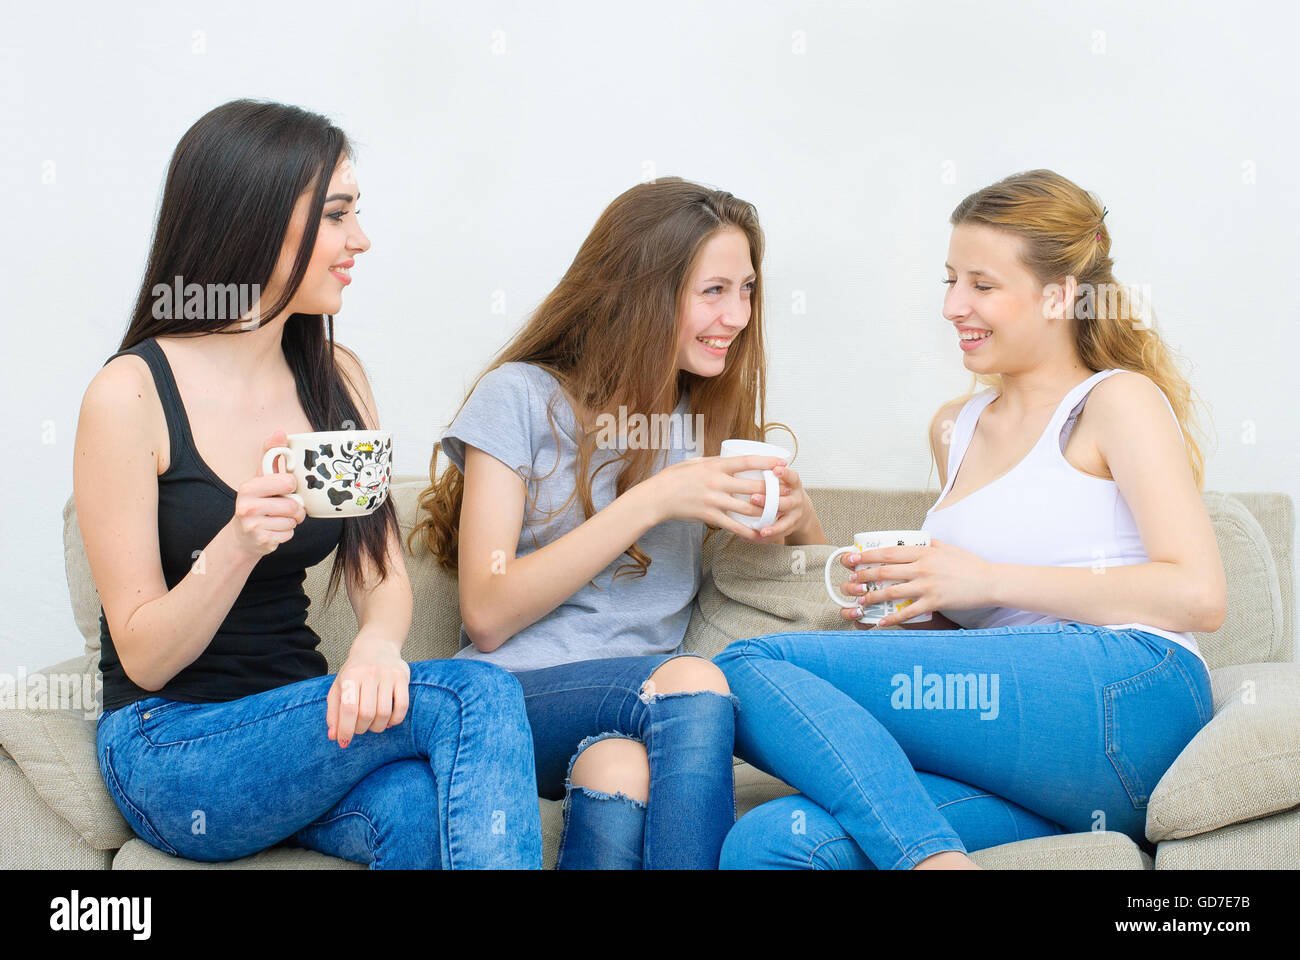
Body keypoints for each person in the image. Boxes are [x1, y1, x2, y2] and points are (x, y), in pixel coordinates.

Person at [714, 169, 1224, 870]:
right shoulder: (956, 427)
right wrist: (917, 601)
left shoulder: (1115, 402)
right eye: (949, 280)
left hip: (1130, 697)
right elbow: (984, 630)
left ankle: (930, 865)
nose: (955, 305)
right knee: (772, 843)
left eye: (982, 284)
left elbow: (1198, 594)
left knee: (741, 669)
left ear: (1060, 294)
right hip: (1039, 762)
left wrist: (982, 577)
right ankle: (933, 852)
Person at [78, 100, 541, 869]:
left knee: (423, 817)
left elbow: (380, 576)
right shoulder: (129, 396)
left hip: (299, 729)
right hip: (171, 746)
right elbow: (146, 659)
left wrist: (376, 647)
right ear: (253, 220)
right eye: (337, 215)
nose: (360, 240)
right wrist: (234, 543)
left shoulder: (334, 382)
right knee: (477, 693)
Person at [409, 177, 826, 868]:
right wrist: (654, 499)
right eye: (713, 291)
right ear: (644, 292)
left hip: (642, 716)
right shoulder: (518, 396)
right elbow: (486, 612)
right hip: (508, 697)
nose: (738, 314)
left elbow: (810, 592)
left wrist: (803, 521)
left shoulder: (706, 421)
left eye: (747, 289)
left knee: (620, 769)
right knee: (691, 681)